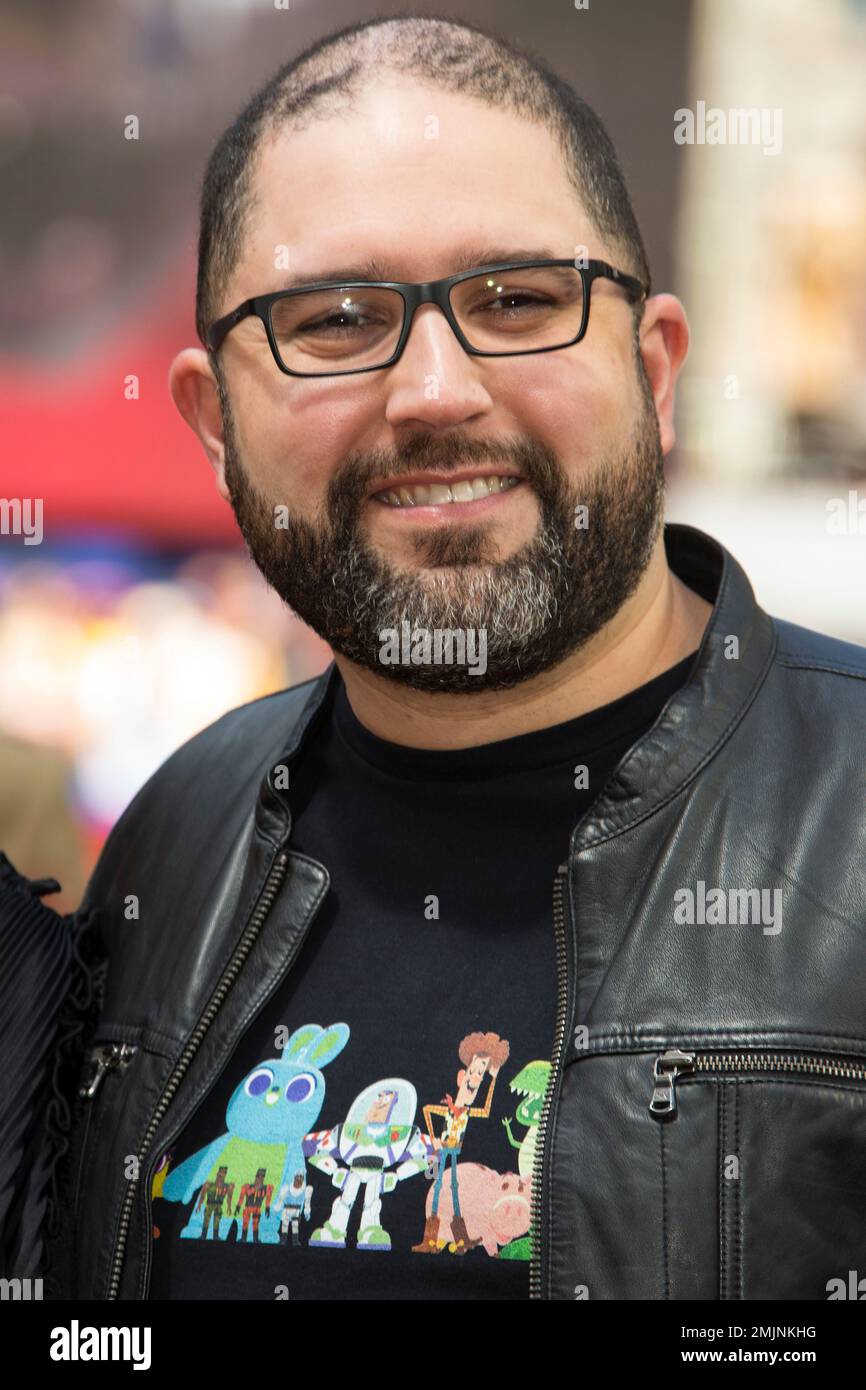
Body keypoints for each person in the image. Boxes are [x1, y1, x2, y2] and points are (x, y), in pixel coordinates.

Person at [23, 14, 866, 1301]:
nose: (431, 392)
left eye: (517, 299)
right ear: (212, 421)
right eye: (337, 317)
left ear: (653, 371)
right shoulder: (174, 837)